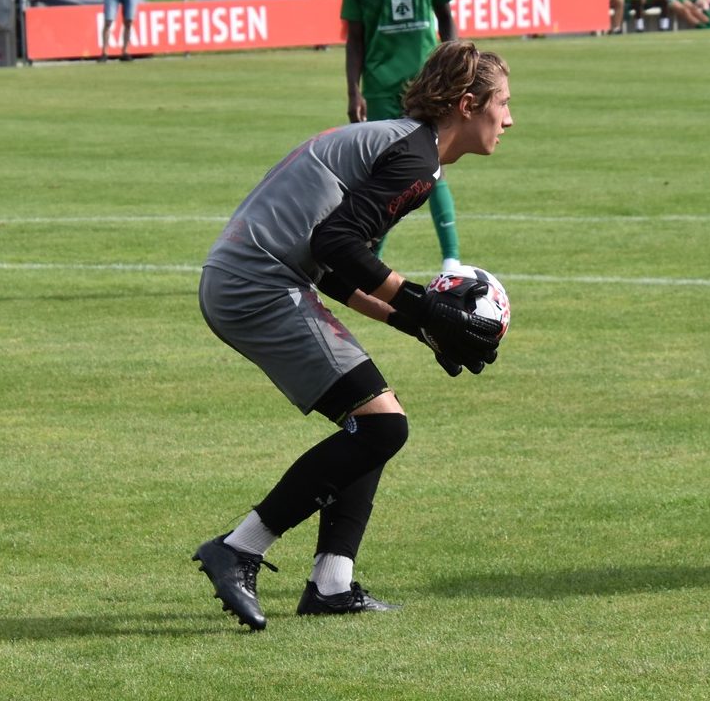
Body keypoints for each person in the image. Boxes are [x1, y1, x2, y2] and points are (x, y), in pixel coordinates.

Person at [193, 40, 512, 630]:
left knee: (373, 422)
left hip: (253, 278)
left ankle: (331, 583)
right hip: (257, 284)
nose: (510, 119)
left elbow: (336, 266)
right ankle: (240, 547)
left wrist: (416, 322)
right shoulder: (415, 159)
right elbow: (333, 246)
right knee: (383, 426)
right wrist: (425, 307)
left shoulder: (407, 145)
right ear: (468, 104)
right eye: (503, 104)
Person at [343, 0, 463, 277]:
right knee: (384, 176)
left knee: (433, 166)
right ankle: (368, 258)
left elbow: (445, 16)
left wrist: (457, 66)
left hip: (429, 85)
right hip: (380, 85)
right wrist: (354, 90)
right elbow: (356, 38)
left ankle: (452, 258)